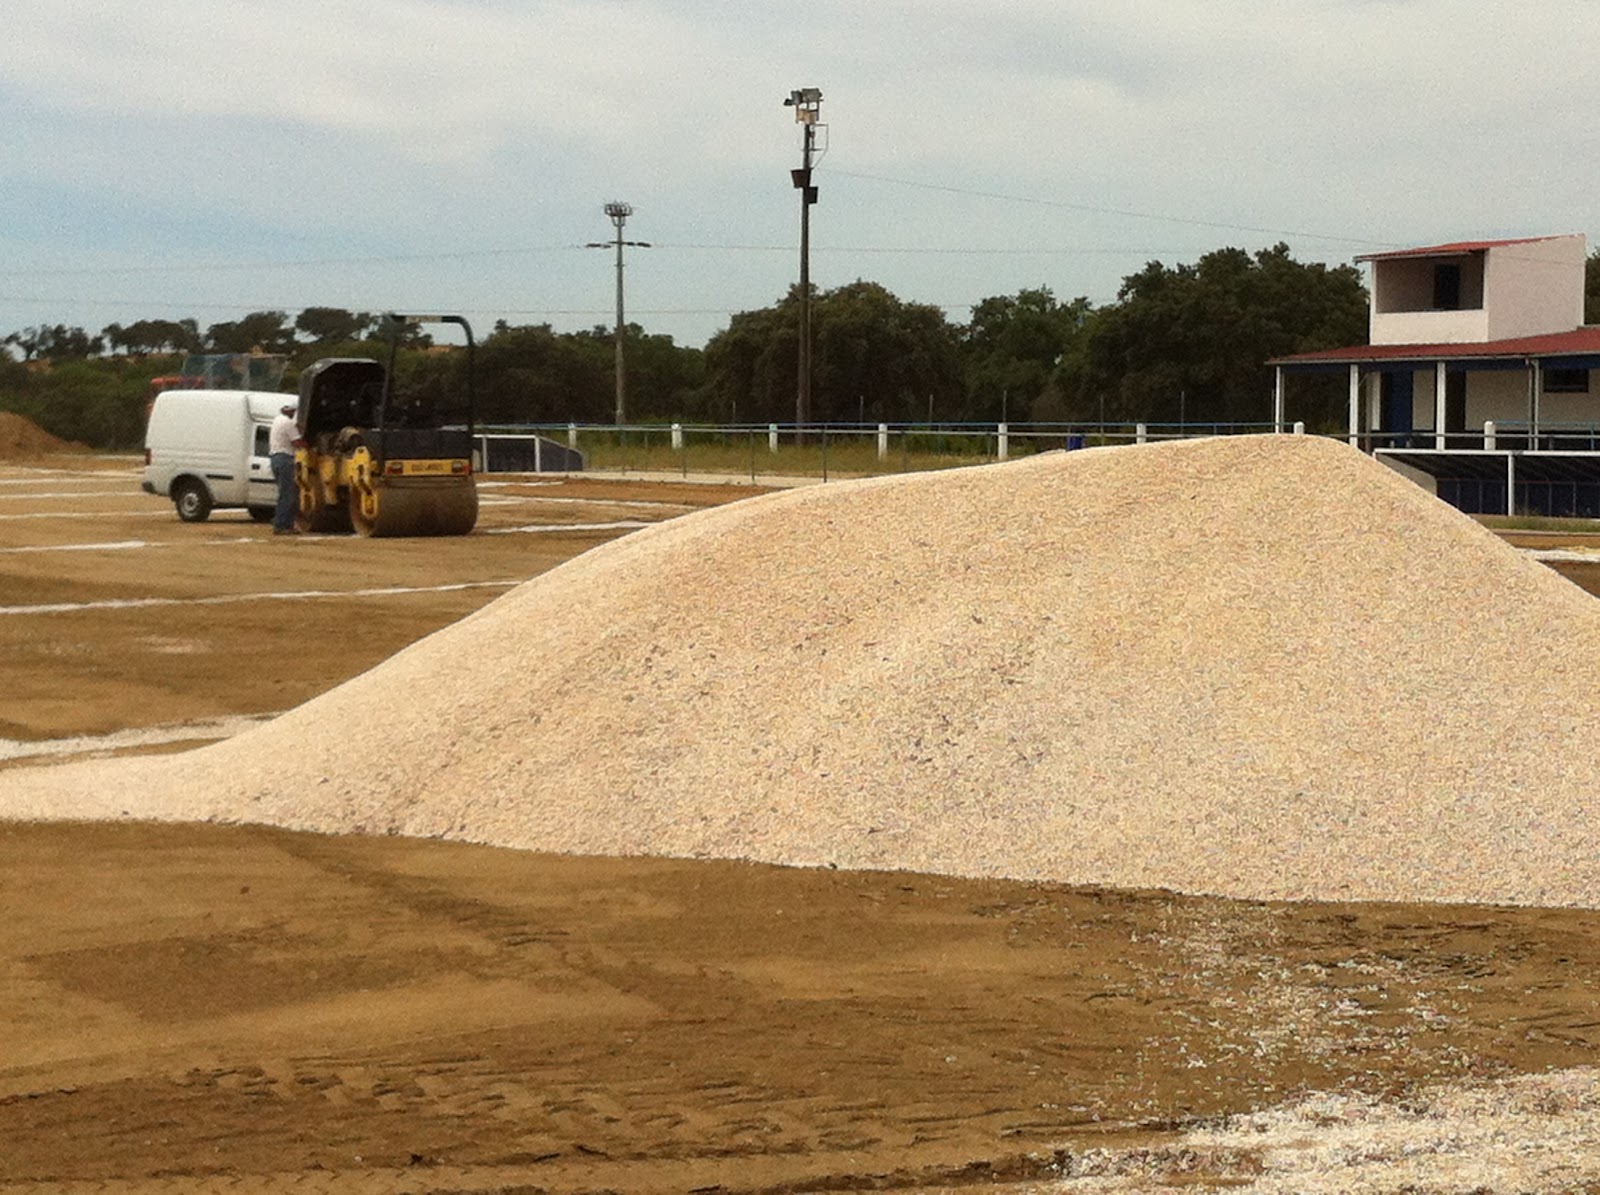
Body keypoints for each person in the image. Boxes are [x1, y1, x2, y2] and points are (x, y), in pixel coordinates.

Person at [268, 403, 304, 535]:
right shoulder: (288, 423)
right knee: (288, 494)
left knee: (284, 493)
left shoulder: (277, 420)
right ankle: (281, 525)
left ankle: (284, 523)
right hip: (285, 459)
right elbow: (297, 443)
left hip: (275, 458)